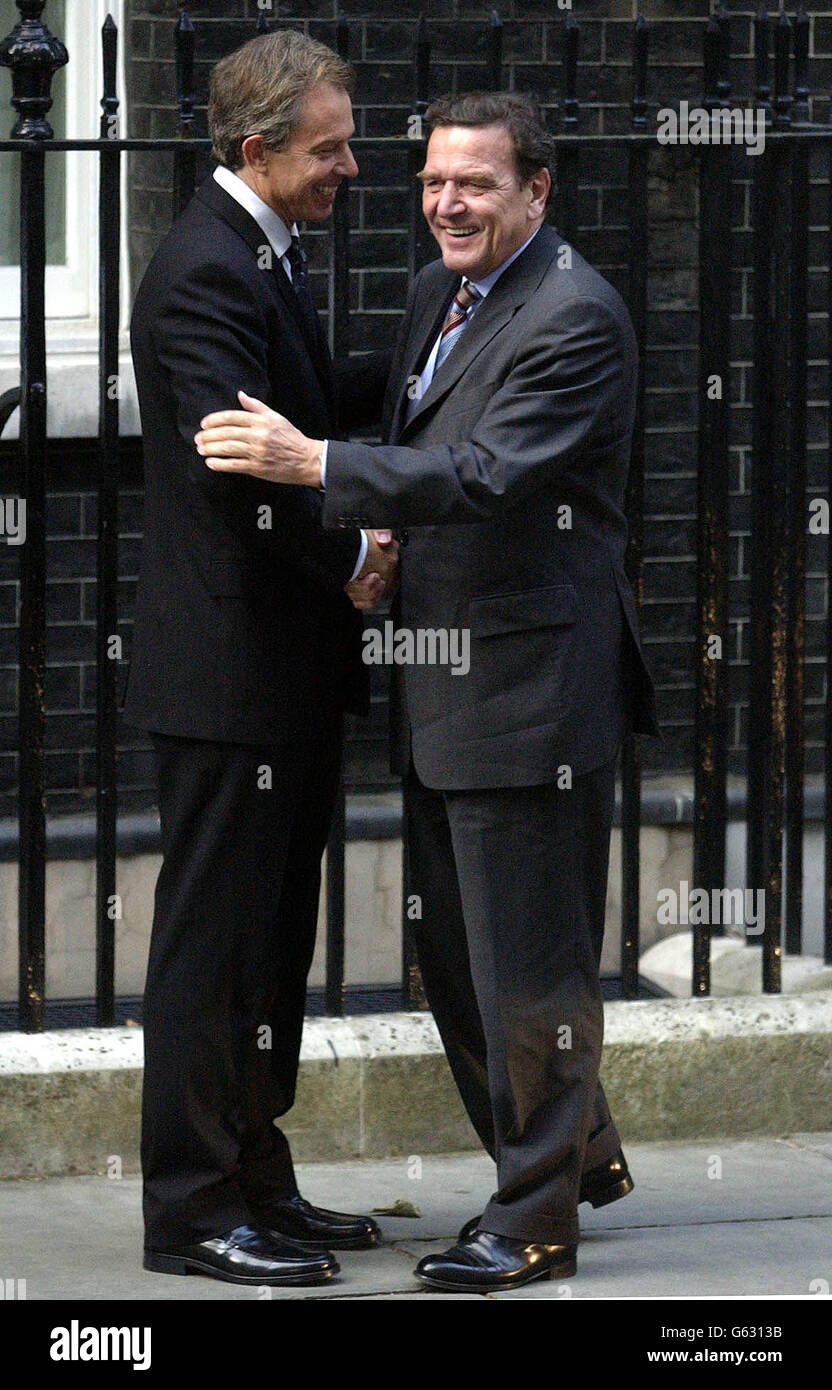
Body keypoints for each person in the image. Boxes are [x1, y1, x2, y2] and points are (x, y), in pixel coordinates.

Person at [195, 90, 660, 1293]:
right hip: (447, 688)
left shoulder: (574, 317)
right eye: (433, 182)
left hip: (531, 694)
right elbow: (409, 414)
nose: (447, 204)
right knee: (455, 959)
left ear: (536, 191)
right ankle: (576, 1154)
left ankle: (533, 1219)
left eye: (477, 184)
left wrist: (316, 465)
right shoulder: (439, 293)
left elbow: (485, 471)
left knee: (529, 969)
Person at [124, 30, 398, 1288]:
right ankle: (190, 1207)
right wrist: (352, 562)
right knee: (215, 945)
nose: (351, 167)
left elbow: (309, 403)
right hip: (230, 677)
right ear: (258, 148)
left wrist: (435, 355)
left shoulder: (260, 253)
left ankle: (254, 1176)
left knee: (272, 941)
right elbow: (237, 469)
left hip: (278, 674)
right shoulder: (204, 270)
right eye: (329, 148)